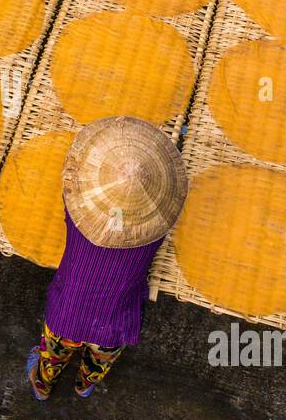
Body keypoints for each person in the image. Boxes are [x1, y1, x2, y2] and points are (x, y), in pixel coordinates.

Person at [26, 116, 188, 400]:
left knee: (53, 355)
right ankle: (85, 384)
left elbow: (72, 190)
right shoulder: (156, 228)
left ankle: (42, 385)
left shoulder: (78, 217)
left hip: (68, 311)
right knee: (100, 359)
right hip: (115, 319)